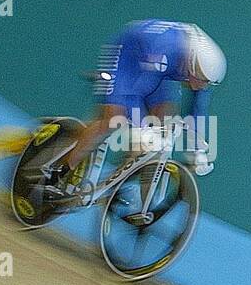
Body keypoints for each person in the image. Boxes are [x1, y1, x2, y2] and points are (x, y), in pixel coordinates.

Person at [44, 19, 225, 196]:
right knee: (114, 119)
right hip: (128, 55)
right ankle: (59, 173)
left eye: (207, 83)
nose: (202, 85)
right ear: (192, 65)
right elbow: (134, 93)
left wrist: (197, 150)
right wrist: (142, 129)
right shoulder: (167, 49)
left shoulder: (202, 71)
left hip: (157, 69)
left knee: (163, 122)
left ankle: (120, 178)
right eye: (201, 80)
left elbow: (197, 109)